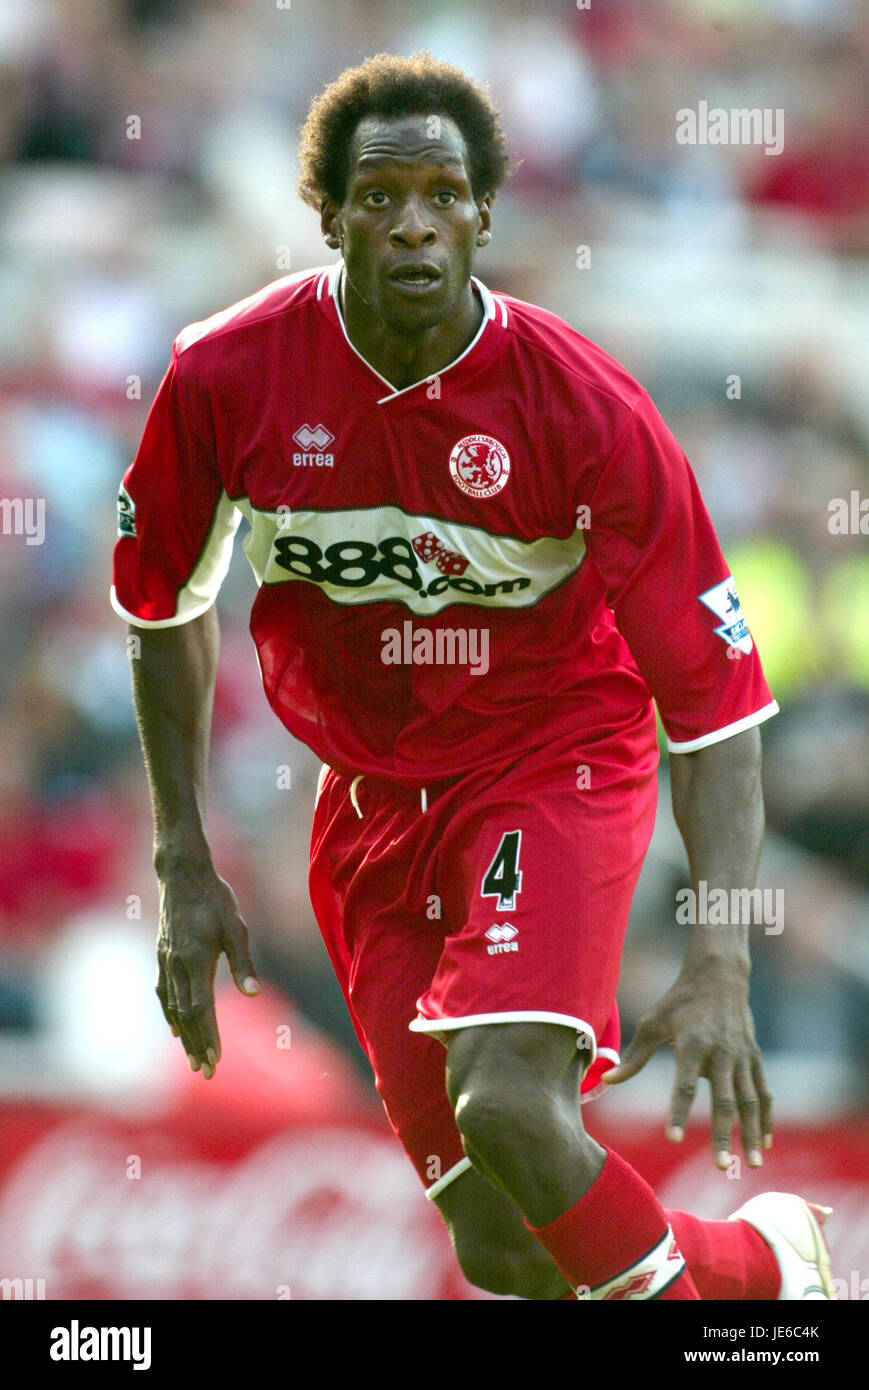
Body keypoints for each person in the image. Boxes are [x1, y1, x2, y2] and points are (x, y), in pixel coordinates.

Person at [111, 53, 834, 1300]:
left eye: (442, 195)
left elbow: (714, 709)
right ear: (328, 215)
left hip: (551, 760)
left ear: (483, 214)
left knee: (506, 1101)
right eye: (379, 196)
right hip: (367, 806)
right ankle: (764, 1268)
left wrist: (719, 956)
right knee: (502, 1243)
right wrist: (182, 855)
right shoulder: (226, 376)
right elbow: (159, 607)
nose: (413, 223)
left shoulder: (581, 406)